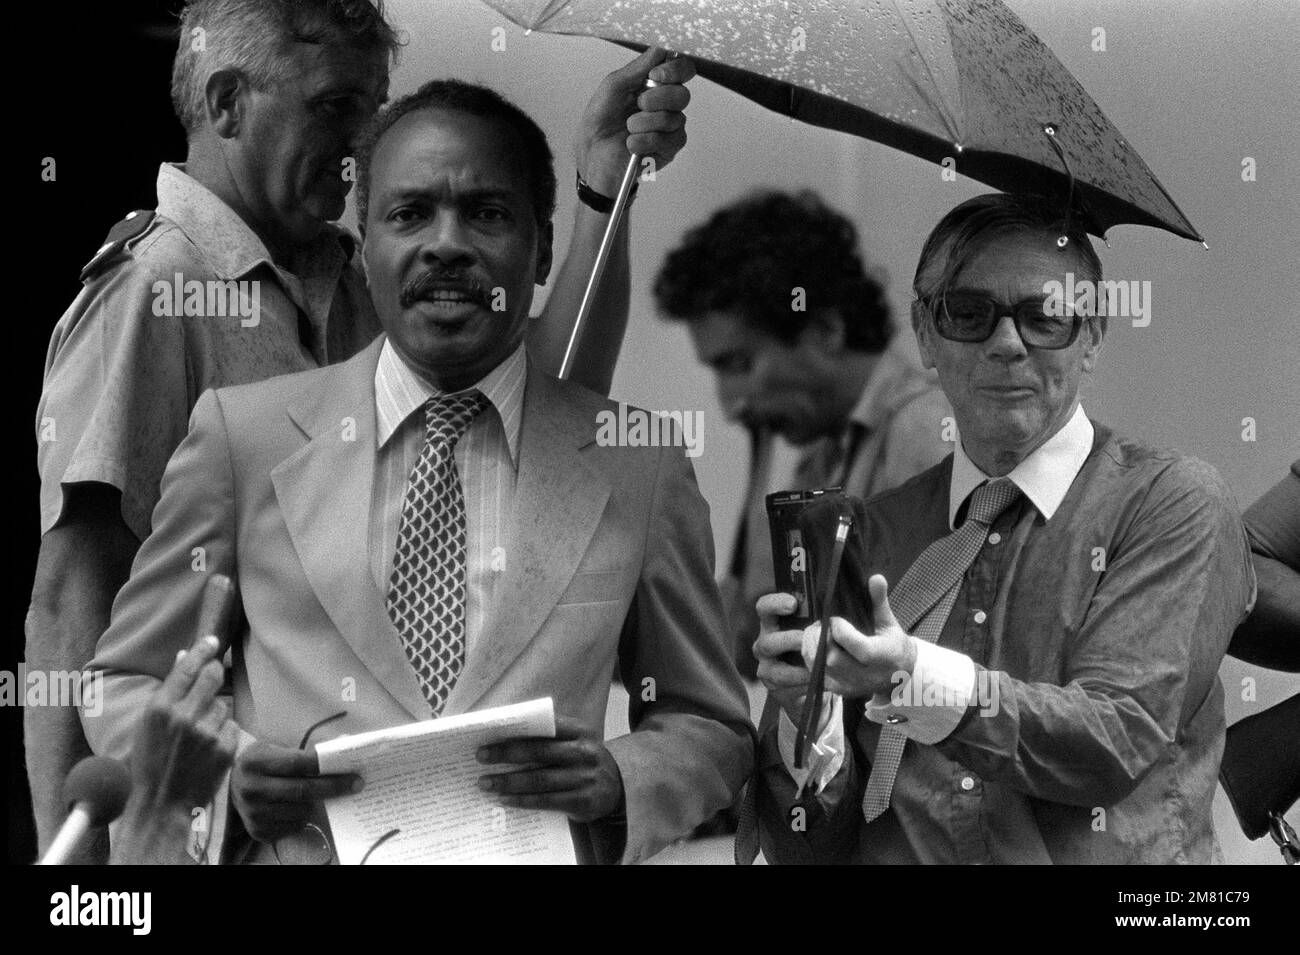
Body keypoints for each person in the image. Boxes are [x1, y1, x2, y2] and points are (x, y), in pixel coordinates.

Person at [28, 0, 695, 858]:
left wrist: (604, 194)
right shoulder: (155, 288)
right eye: (335, 107)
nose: (361, 140)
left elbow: (548, 415)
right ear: (229, 103)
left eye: (373, 108)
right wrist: (78, 870)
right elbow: (73, 603)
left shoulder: (342, 274)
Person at [741, 192, 1255, 864]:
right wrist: (812, 715)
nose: (1008, 343)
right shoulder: (873, 529)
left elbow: (1114, 741)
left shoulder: (1170, 502)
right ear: (925, 333)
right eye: (970, 314)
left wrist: (912, 676)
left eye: (1046, 317)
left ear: (1092, 336)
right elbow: (807, 846)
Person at [653, 190, 951, 676]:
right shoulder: (823, 454)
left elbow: (911, 654)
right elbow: (757, 636)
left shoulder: (925, 437)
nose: (732, 406)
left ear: (826, 330)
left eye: (740, 364)